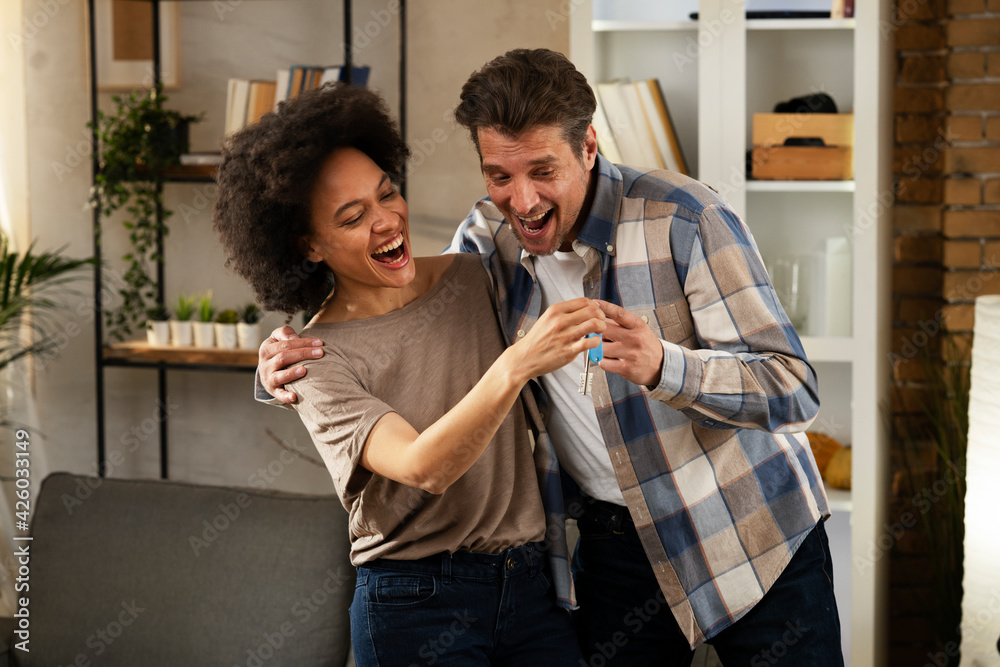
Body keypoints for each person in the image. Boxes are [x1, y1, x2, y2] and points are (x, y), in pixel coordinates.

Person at [258, 49, 843, 666]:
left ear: (589, 145)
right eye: (500, 175)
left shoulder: (686, 219)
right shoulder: (487, 243)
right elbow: (390, 309)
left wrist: (664, 366)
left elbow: (793, 388)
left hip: (752, 532)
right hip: (616, 552)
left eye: (543, 170)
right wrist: (274, 366)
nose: (524, 200)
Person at [214, 83, 603, 666]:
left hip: (529, 585)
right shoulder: (316, 363)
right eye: (352, 217)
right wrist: (519, 362)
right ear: (310, 245)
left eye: (387, 194)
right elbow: (426, 466)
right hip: (416, 605)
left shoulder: (476, 279)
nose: (386, 221)